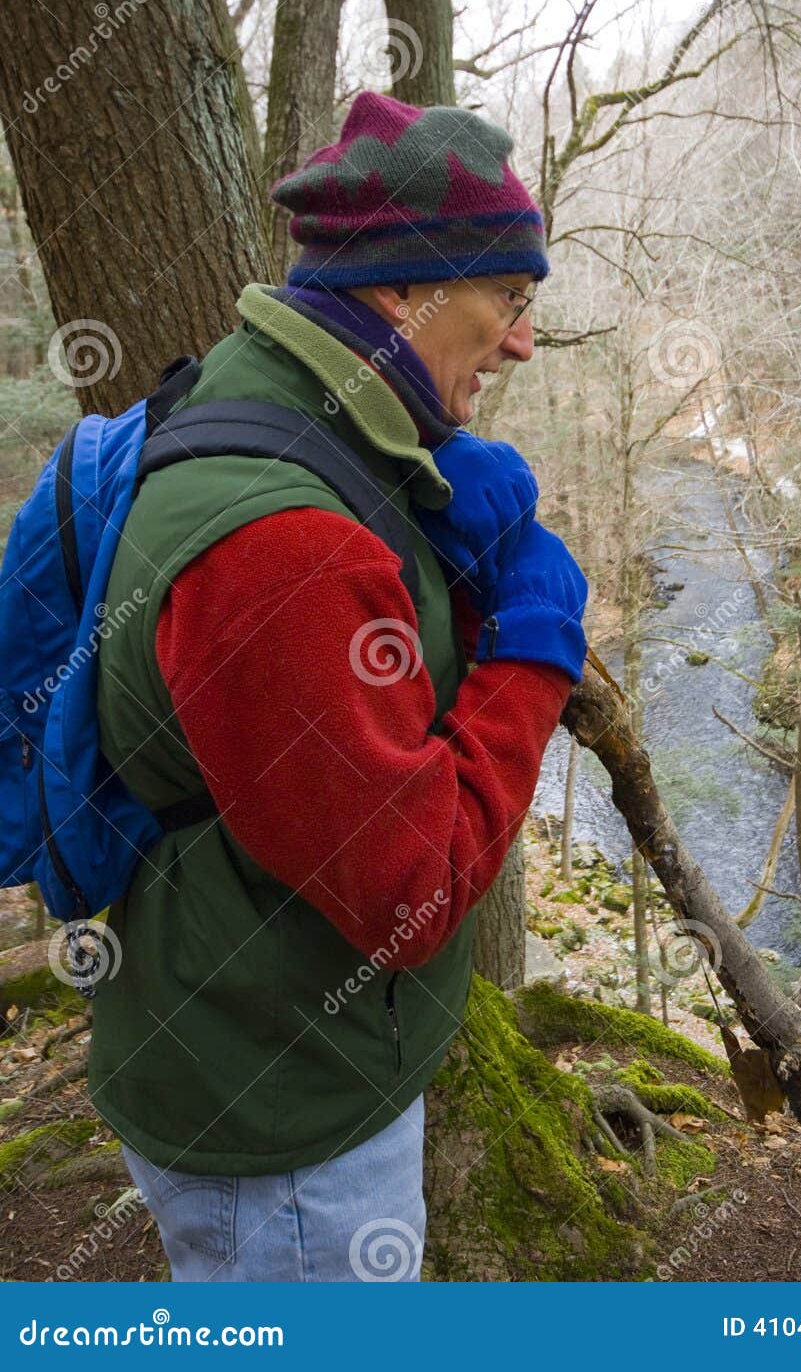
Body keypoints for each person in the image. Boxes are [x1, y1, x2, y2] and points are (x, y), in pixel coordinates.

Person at [87, 91, 588, 1282]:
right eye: (508, 301)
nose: (522, 341)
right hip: (283, 1129)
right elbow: (410, 897)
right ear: (403, 294)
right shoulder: (286, 550)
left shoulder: (267, 392)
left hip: (251, 1036)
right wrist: (530, 648)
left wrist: (427, 485)